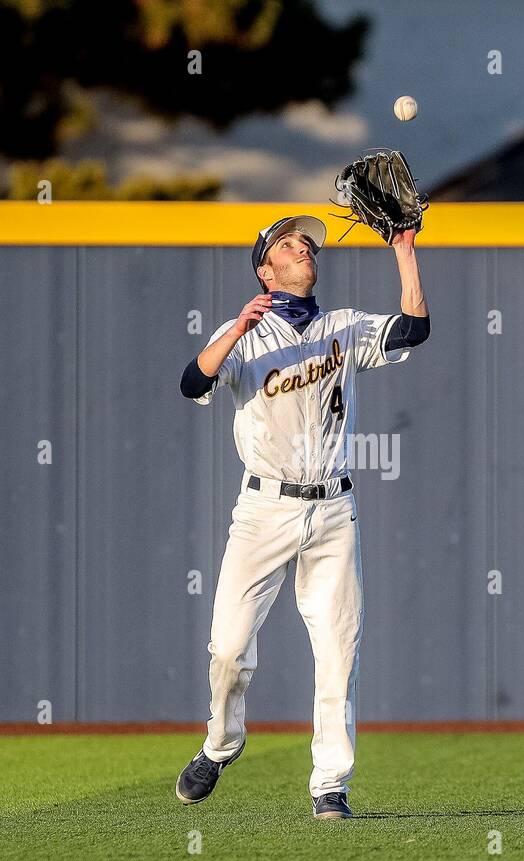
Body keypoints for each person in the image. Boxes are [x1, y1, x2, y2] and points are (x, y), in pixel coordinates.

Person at [176, 215, 430, 819]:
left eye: (307, 241)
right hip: (264, 506)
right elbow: (192, 383)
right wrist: (237, 326)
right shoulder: (247, 335)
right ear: (267, 270)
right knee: (229, 649)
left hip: (334, 508)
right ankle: (220, 744)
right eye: (288, 243)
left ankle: (330, 785)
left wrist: (404, 251)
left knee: (339, 647)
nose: (303, 246)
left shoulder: (342, 326)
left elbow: (416, 328)